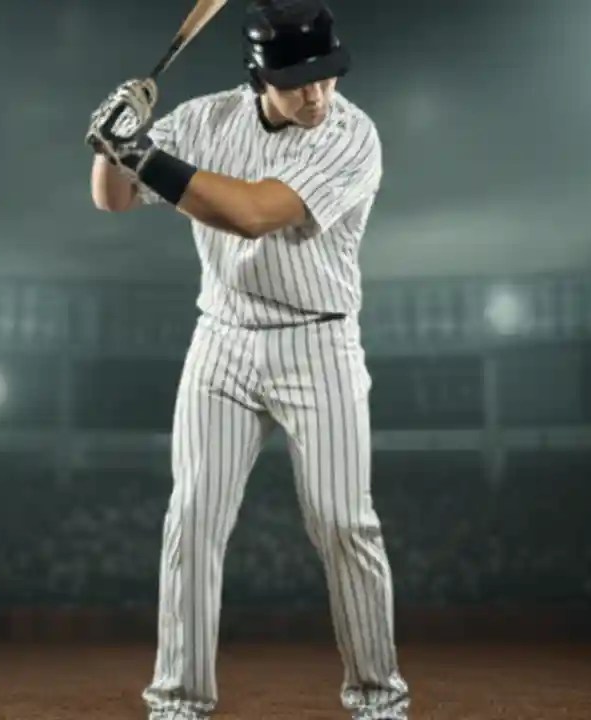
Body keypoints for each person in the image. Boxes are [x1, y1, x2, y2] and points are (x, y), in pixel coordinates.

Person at [85, 1, 410, 718]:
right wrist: (109, 147)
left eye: (327, 76)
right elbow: (112, 202)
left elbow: (253, 213)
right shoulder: (207, 119)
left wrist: (140, 150)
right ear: (260, 75)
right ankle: (178, 700)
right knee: (193, 518)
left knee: (342, 521)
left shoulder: (353, 136)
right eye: (299, 81)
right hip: (222, 339)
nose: (318, 93)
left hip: (317, 343)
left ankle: (379, 700)